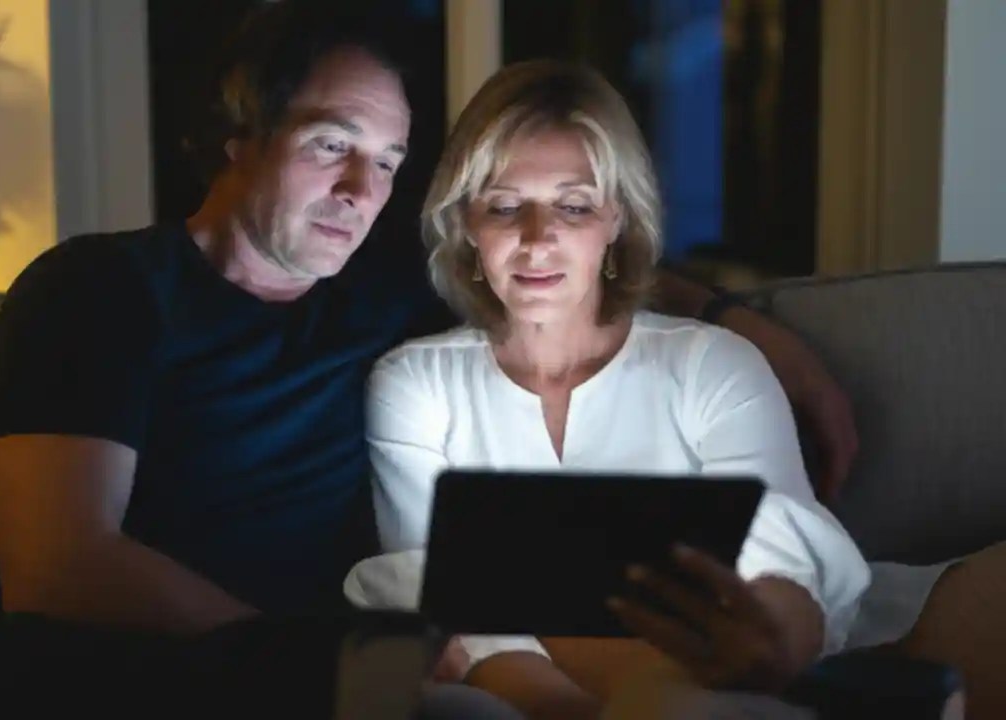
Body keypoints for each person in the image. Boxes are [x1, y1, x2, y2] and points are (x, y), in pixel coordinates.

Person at [0, 2, 861, 716]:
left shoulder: (380, 299)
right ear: (238, 133)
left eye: (388, 161)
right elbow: (56, 567)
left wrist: (748, 321)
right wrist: (325, 657)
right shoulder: (101, 289)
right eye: (332, 144)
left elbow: (554, 254)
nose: (359, 189)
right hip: (97, 670)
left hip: (331, 673)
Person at [344, 60, 871, 719]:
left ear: (616, 218)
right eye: (505, 207)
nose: (539, 240)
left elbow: (780, 564)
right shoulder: (415, 386)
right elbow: (441, 601)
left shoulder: (715, 366)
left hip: (722, 671)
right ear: (466, 224)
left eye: (573, 205)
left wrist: (762, 647)